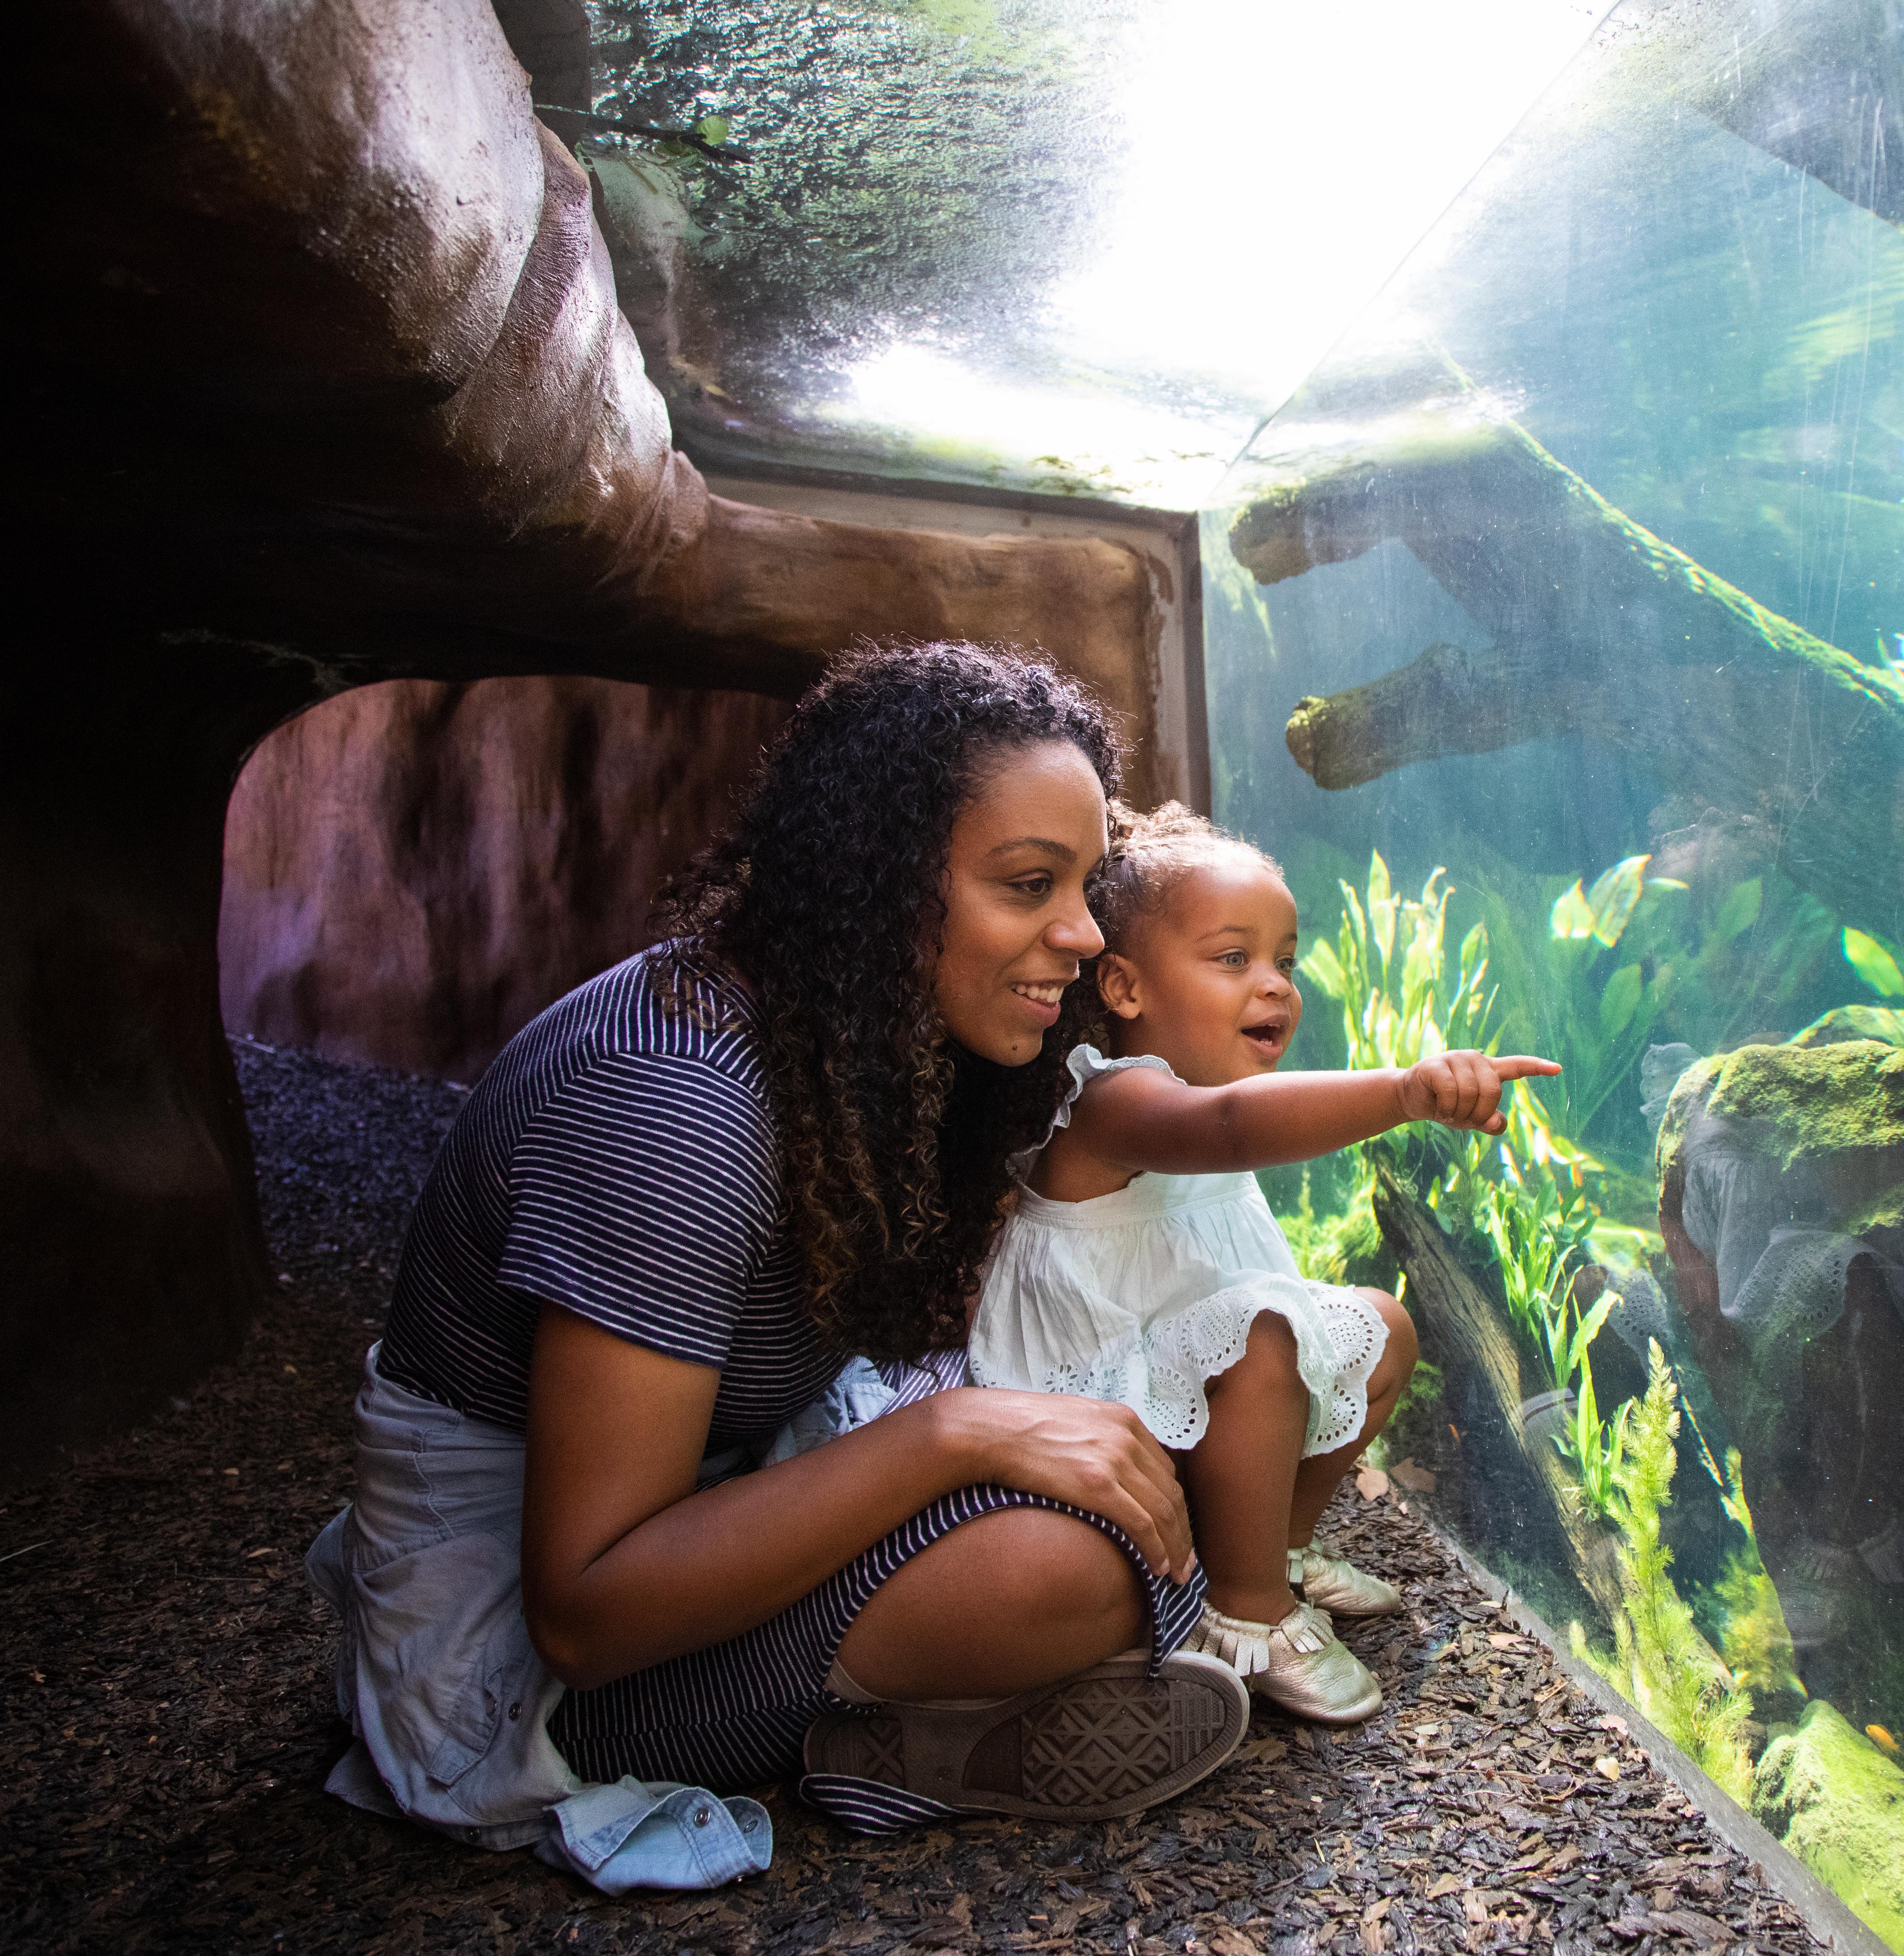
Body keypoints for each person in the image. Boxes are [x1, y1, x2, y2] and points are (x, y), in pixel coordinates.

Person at [303, 646, 1247, 1894]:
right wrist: (955, 1436)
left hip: (726, 1496)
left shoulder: (852, 1044)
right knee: (1075, 1560)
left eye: (1086, 884)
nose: (1081, 934)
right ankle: (883, 1735)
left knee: (1154, 1457)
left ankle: (902, 1733)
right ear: (879, 879)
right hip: (517, 1670)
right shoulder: (674, 1103)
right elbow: (584, 1611)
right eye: (1030, 885)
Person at [969, 804, 1555, 1722]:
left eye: (1285, 959)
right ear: (1124, 987)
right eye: (1233, 958)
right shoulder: (1115, 1101)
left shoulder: (1207, 1090)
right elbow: (1235, 1127)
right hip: (1084, 1403)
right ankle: (1245, 1616)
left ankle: (1272, 1548)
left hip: (1192, 1379)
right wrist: (1404, 1091)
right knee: (1267, 1333)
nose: (1277, 985)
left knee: (1382, 1326)